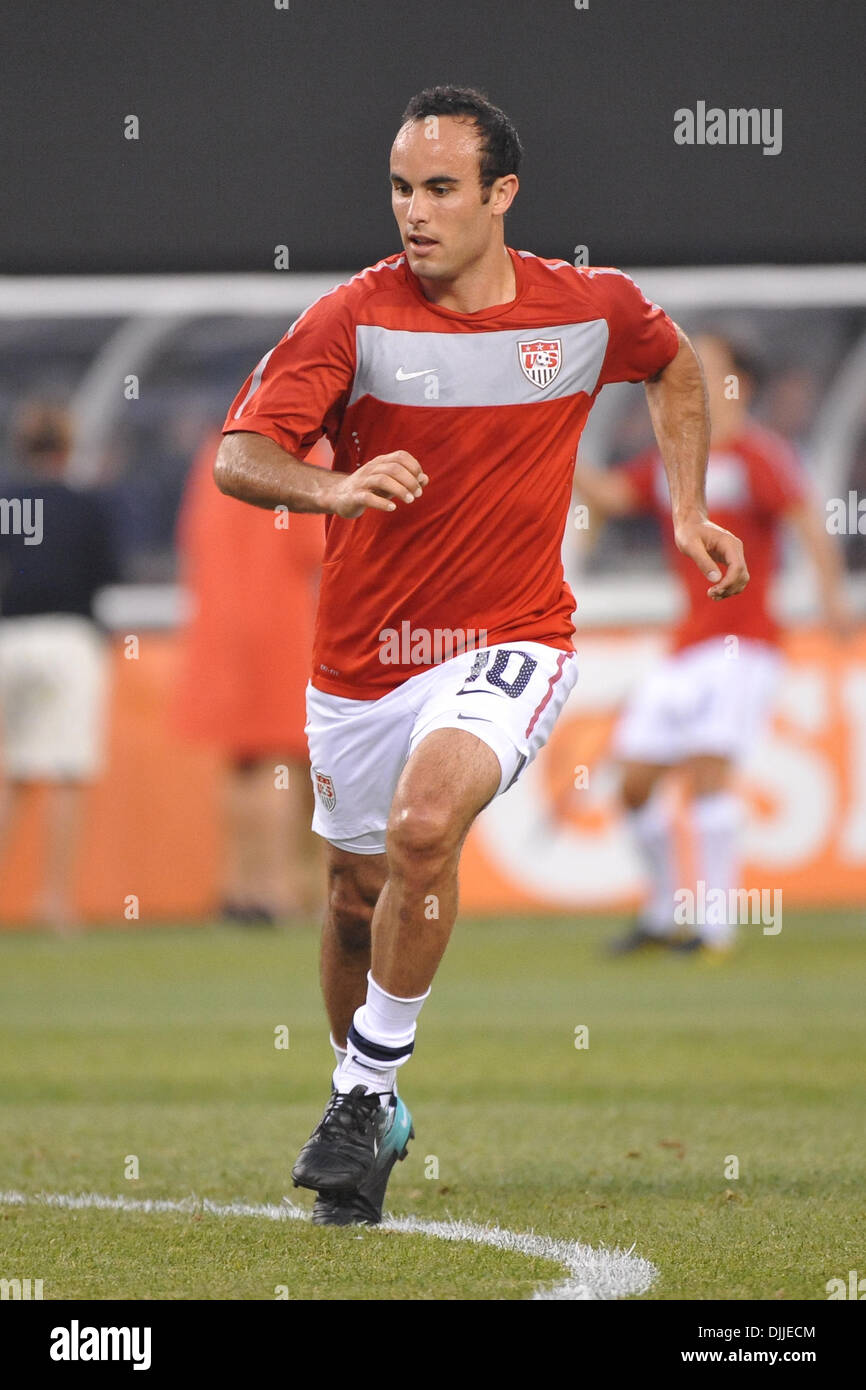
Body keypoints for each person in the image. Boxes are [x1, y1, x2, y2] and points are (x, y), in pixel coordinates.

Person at [214, 86, 748, 1225]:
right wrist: (333, 484)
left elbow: (672, 365)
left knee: (421, 827)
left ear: (500, 194)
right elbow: (240, 454)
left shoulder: (585, 307)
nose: (415, 211)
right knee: (355, 892)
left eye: (440, 188)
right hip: (361, 659)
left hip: (509, 637)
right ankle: (369, 1096)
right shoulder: (351, 319)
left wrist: (687, 509)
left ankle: (360, 1091)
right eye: (401, 188)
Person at [572, 332, 852, 955]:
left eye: (708, 368)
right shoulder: (676, 460)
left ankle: (715, 928)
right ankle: (662, 912)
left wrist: (833, 603)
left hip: (744, 647)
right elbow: (613, 499)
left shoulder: (759, 455)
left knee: (707, 774)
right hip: (686, 649)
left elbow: (806, 518)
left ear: (738, 385)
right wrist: (554, 446)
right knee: (635, 782)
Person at [174, 430, 326, 924]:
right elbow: (321, 551)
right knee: (281, 758)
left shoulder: (213, 455)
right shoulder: (305, 458)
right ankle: (278, 890)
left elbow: (190, 541)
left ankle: (238, 886)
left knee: (241, 759)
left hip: (219, 624)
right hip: (285, 622)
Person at [0, 402, 119, 930]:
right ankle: (55, 904)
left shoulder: (5, 502)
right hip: (68, 638)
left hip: (7, 637)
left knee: (12, 777)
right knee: (66, 773)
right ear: (68, 447)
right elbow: (108, 573)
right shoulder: (86, 505)